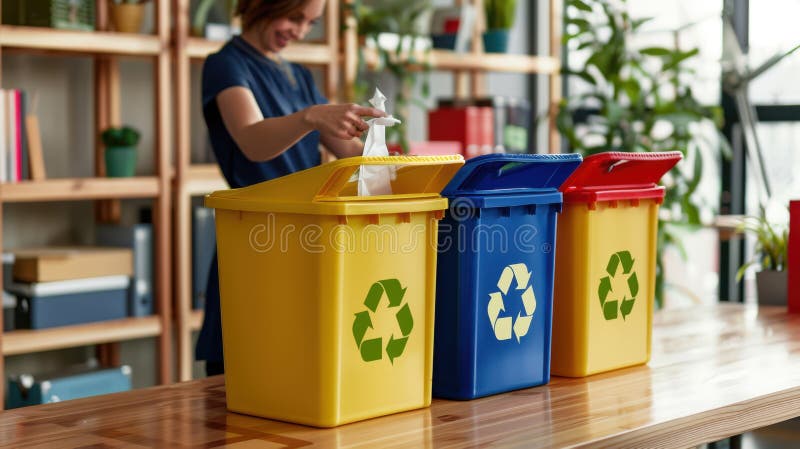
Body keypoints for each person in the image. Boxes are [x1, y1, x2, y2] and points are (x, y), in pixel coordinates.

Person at [196, 0, 385, 376]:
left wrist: (382, 150)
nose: (299, 31)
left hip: (304, 238)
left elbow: (349, 153)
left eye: (310, 23)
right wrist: (312, 116)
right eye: (294, 17)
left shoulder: (298, 75)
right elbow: (251, 141)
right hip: (253, 238)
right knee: (245, 372)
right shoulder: (226, 64)